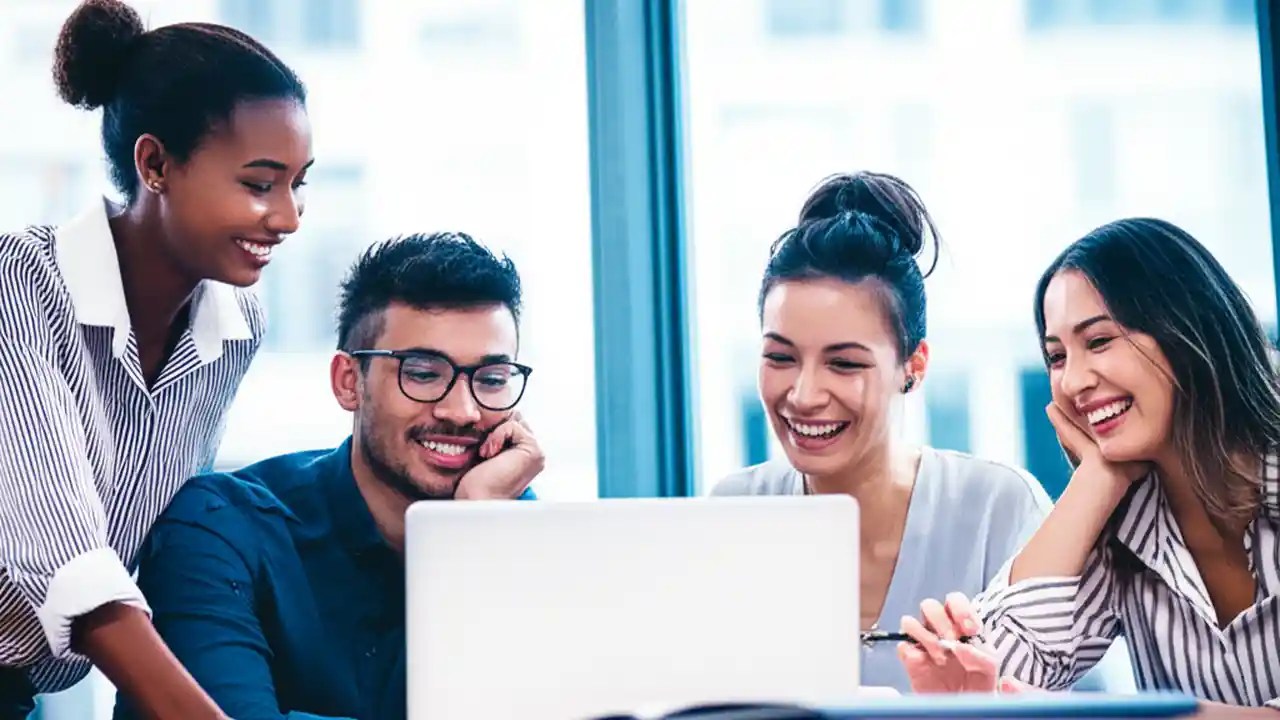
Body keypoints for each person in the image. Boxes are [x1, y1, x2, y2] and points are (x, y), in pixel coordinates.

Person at [0, 1, 311, 716]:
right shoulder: (18, 285)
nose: (289, 218)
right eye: (260, 184)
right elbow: (68, 561)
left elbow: (170, 532)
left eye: (300, 183)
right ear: (155, 163)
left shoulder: (237, 325)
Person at [112, 233, 544, 720]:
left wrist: (472, 534)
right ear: (348, 382)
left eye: (491, 379)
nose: (463, 411)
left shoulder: (504, 520)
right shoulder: (219, 527)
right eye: (422, 373)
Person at [898, 218, 1280, 716]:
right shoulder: (1127, 523)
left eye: (1098, 342)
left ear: (1187, 330)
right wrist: (1096, 481)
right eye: (1056, 357)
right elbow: (993, 675)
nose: (1074, 380)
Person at [710, 172, 1052, 692]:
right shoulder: (736, 509)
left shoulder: (998, 508)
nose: (803, 394)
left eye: (844, 364)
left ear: (912, 366)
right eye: (780, 357)